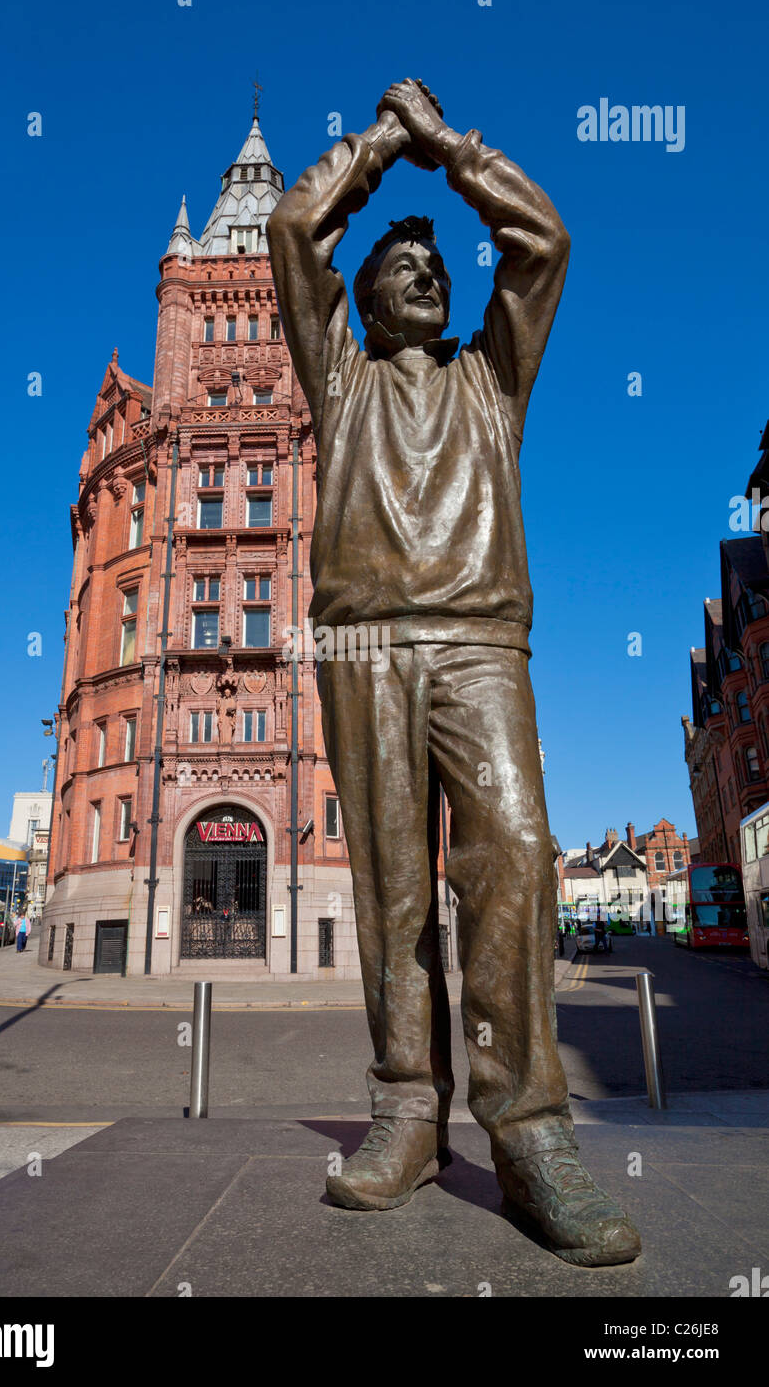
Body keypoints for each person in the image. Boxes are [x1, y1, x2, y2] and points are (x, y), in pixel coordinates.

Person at [268, 77, 640, 1266]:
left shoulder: (491, 378)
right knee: (386, 888)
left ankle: (527, 1129)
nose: (424, 273)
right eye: (400, 265)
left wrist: (448, 148)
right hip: (365, 644)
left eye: (437, 265)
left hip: (481, 640)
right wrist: (378, 147)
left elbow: (542, 242)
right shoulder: (339, 375)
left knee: (516, 857)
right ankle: (404, 1110)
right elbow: (292, 230)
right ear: (363, 300)